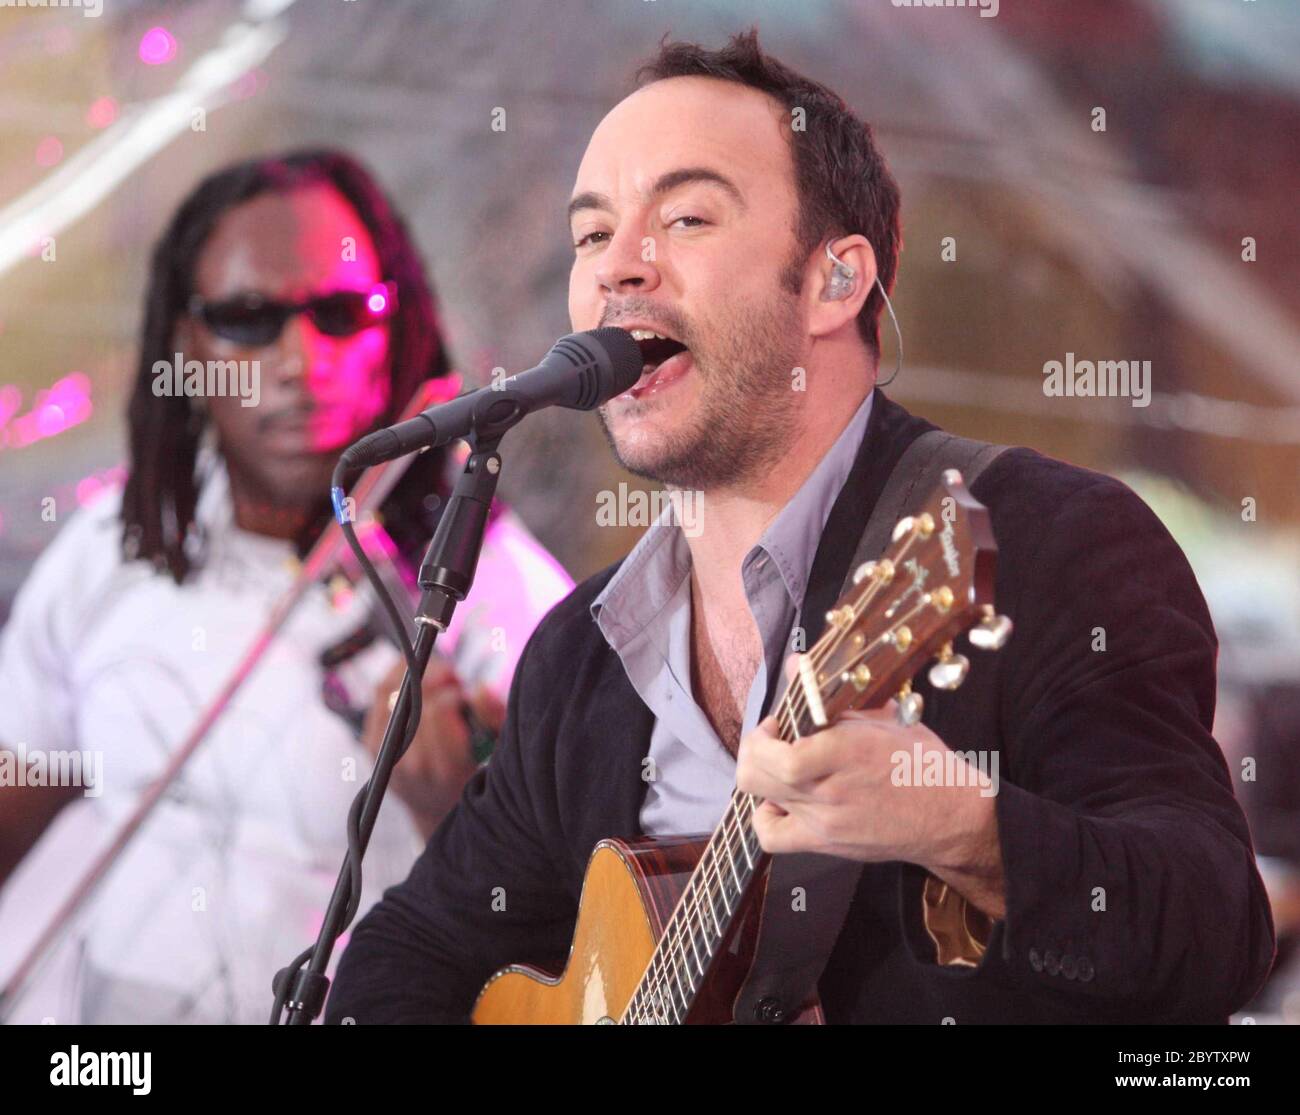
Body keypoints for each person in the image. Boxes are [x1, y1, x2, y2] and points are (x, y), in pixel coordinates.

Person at [326, 32, 1275, 1024]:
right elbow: (414, 947)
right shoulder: (581, 654)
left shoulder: (1051, 544)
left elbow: (1214, 931)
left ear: (835, 280)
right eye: (590, 235)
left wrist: (966, 829)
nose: (619, 269)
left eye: (685, 216)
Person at [0, 150, 573, 1023]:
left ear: (400, 324)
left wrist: (453, 811)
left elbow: (557, 959)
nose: (302, 361)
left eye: (342, 312)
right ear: (185, 342)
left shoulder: (513, 602)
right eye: (247, 318)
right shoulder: (115, 542)